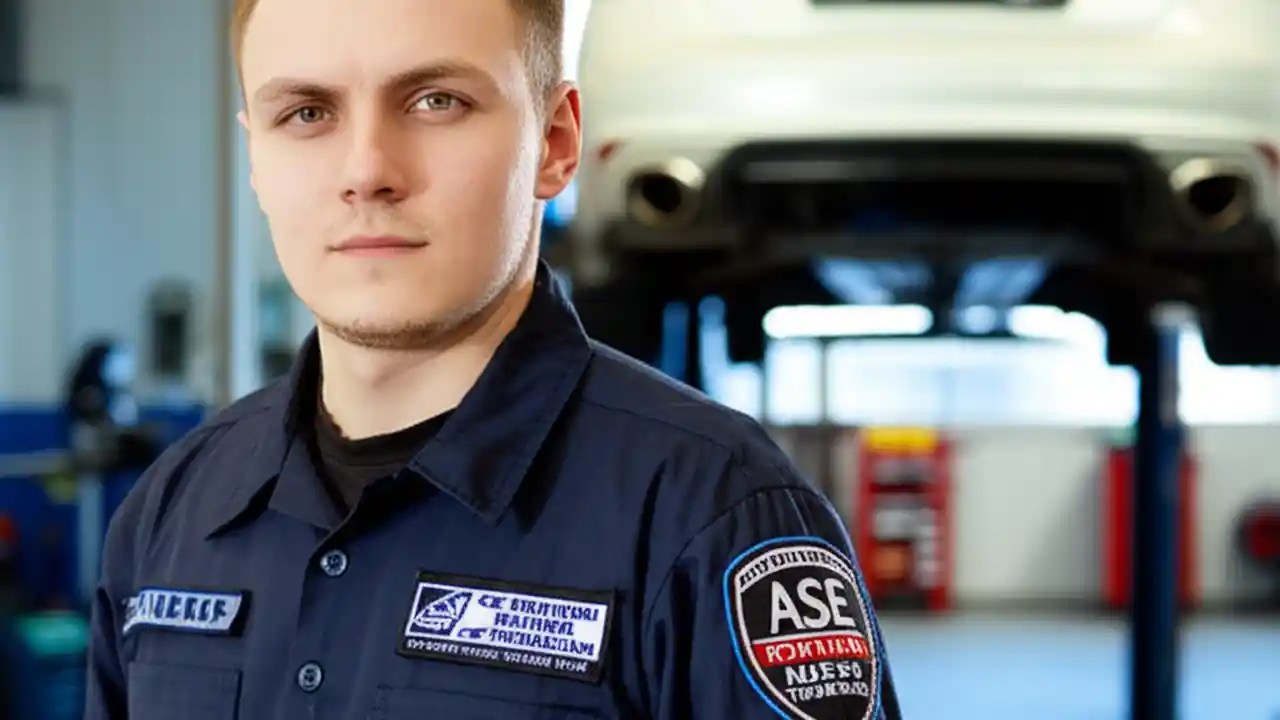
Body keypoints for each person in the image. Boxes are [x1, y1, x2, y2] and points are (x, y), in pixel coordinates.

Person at [84, 0, 903, 718]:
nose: (367, 171)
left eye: (436, 101)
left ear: (554, 141)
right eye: (306, 113)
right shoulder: (171, 513)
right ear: (256, 156)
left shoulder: (714, 515)